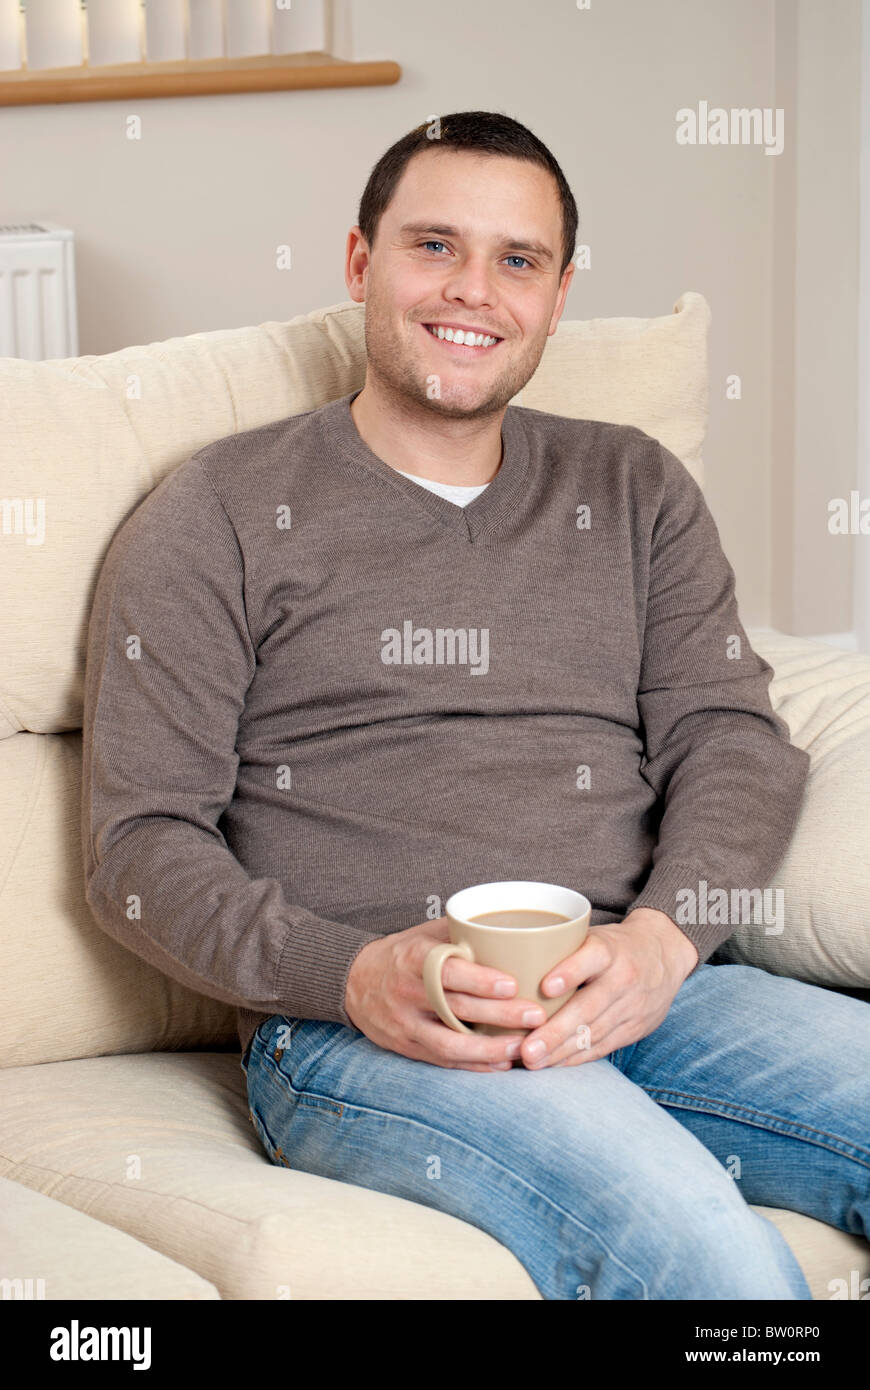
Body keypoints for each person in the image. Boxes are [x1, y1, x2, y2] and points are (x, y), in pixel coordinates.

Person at [81, 110, 869, 1300]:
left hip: (647, 983)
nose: (474, 291)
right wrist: (346, 974)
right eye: (433, 245)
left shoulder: (635, 487)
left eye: (518, 260)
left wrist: (661, 943)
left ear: (557, 296)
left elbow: (734, 740)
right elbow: (138, 846)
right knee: (709, 1257)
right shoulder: (218, 515)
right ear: (360, 263)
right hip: (365, 1032)